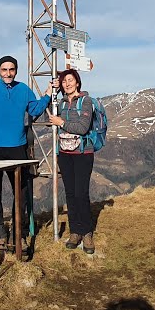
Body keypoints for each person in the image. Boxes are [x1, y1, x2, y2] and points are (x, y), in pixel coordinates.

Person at [0, 55, 53, 254]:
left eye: (11, 69)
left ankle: (19, 234)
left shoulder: (24, 89)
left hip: (18, 148)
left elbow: (34, 109)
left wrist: (48, 95)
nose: (8, 73)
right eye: (4, 70)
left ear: (16, 70)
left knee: (22, 192)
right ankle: (0, 235)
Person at [47, 68, 99, 254]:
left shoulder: (85, 101)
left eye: (70, 80)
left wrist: (61, 123)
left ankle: (87, 233)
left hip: (83, 153)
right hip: (65, 153)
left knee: (81, 193)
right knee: (70, 193)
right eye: (63, 81)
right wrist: (50, 89)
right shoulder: (60, 102)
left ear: (77, 82)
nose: (67, 84)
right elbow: (50, 115)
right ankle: (75, 231)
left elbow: (83, 128)